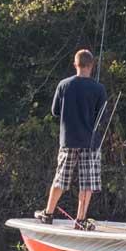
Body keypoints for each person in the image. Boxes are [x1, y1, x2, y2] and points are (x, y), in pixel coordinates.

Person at [38, 49, 108, 230]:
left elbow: (55, 111)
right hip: (90, 143)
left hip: (68, 140)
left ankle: (48, 213)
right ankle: (81, 219)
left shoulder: (63, 85)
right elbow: (103, 117)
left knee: (60, 178)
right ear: (91, 65)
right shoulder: (99, 89)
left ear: (75, 64)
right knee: (87, 182)